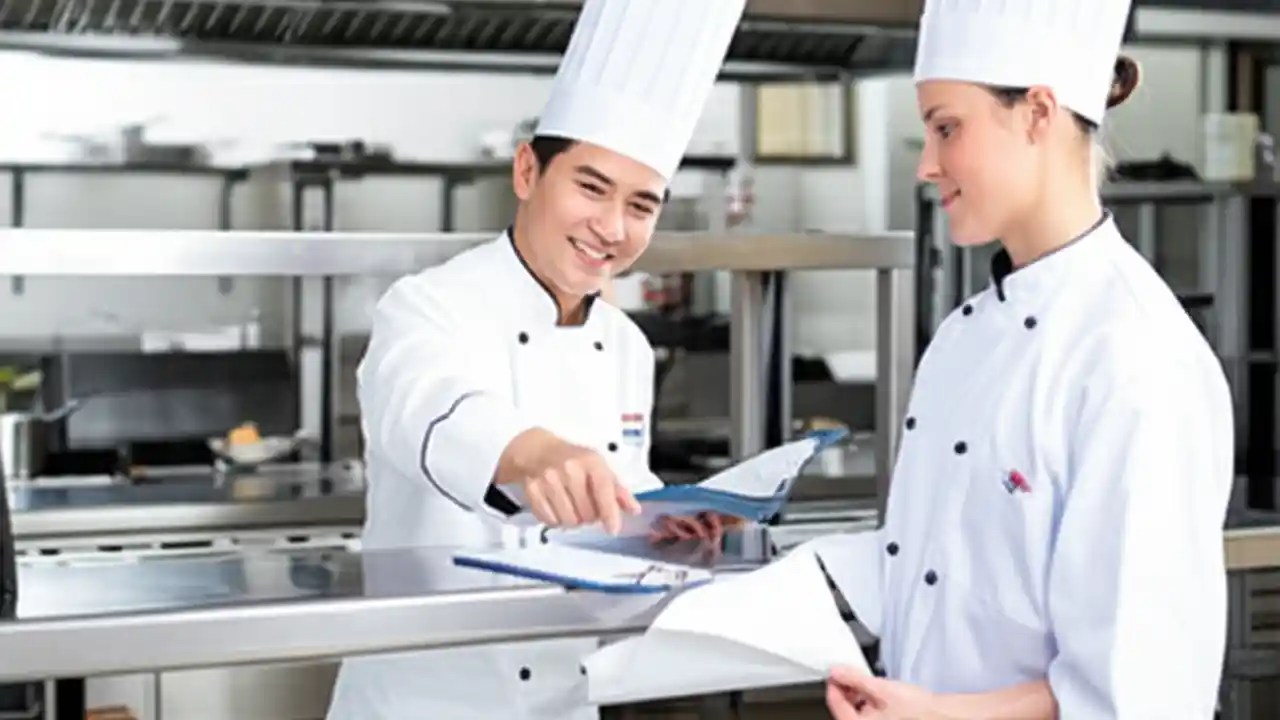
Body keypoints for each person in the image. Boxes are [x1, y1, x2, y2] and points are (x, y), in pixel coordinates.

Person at [324, 1, 747, 718]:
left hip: (564, 702)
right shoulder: (425, 307)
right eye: (591, 187)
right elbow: (432, 406)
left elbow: (611, 502)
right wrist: (532, 452)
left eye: (642, 206)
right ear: (527, 171)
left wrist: (665, 523)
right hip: (424, 703)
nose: (612, 228)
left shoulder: (625, 344)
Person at [819, 0, 1235, 718]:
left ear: (1038, 113)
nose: (926, 164)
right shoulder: (960, 338)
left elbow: (1138, 691)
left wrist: (937, 715)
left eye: (947, 128)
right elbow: (940, 569)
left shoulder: (1137, 361)